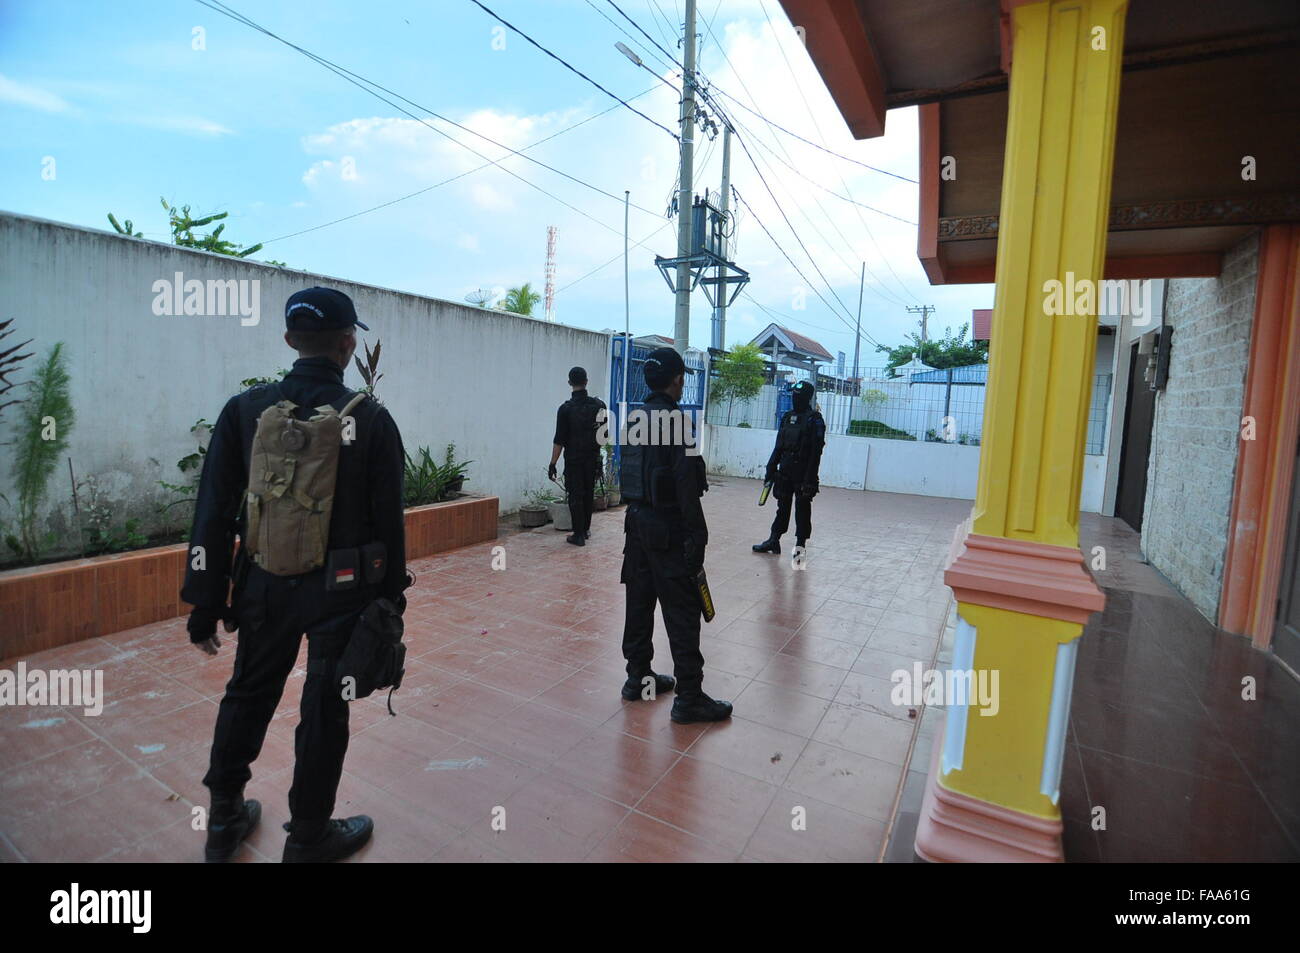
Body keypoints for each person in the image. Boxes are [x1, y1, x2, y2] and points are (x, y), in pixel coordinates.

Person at [182, 287, 407, 863]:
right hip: (343, 593)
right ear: (348, 343)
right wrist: (391, 603)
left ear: (289, 341)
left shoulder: (245, 411)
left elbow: (213, 511)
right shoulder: (372, 419)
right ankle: (308, 835)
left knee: (248, 694)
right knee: (324, 707)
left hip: (263, 583)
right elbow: (389, 524)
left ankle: (224, 819)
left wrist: (205, 603)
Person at [619, 347, 731, 723]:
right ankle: (689, 698)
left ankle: (638, 678)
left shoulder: (634, 419)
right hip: (667, 531)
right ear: (677, 379)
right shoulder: (678, 423)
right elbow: (686, 487)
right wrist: (697, 538)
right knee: (682, 612)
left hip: (635, 527)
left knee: (639, 603)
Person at [753, 379, 826, 563]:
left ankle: (800, 546)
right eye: (793, 394)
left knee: (802, 510)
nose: (795, 398)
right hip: (785, 470)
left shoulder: (814, 420)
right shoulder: (787, 417)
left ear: (807, 398)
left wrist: (810, 479)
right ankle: (773, 540)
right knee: (782, 507)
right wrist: (771, 468)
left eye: (799, 396)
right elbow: (778, 445)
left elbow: (816, 453)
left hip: (803, 473)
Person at [549, 366, 606, 546]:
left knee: (575, 495)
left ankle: (578, 534)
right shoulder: (599, 405)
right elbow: (604, 436)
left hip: (573, 460)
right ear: (586, 382)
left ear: (569, 383)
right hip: (592, 458)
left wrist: (552, 463)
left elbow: (559, 440)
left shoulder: (565, 410)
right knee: (588, 493)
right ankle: (586, 529)